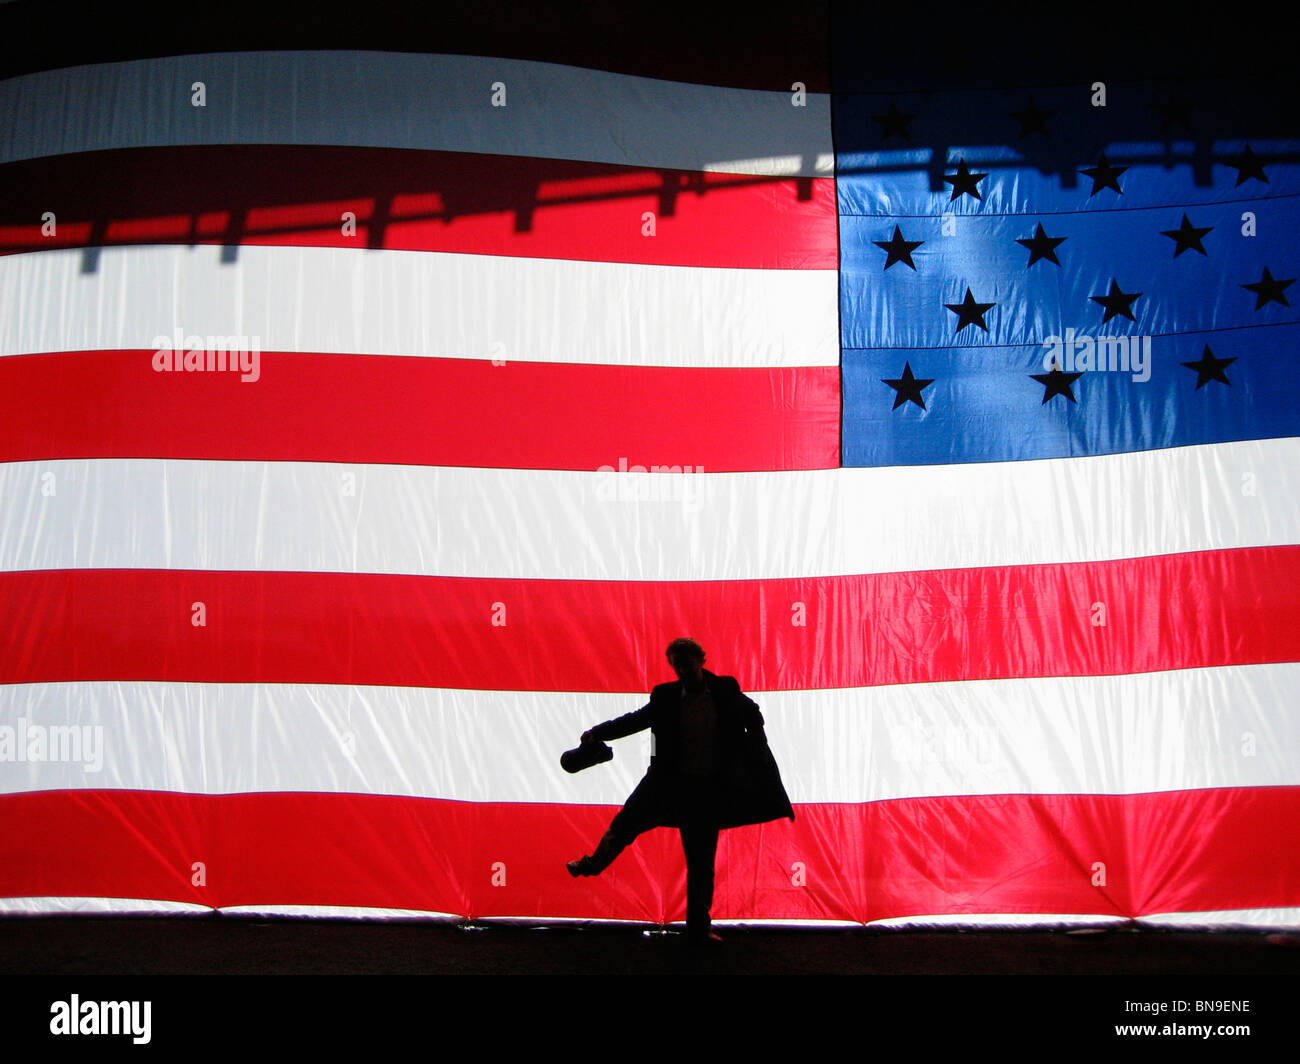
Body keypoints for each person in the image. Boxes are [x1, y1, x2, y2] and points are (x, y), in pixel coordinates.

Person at [566, 637, 794, 944]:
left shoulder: (726, 689)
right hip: (667, 783)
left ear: (701, 660)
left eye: (685, 664)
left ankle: (698, 930)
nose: (681, 670)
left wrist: (752, 749)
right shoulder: (666, 696)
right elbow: (635, 721)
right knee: (624, 826)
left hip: (706, 791)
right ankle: (592, 864)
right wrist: (599, 732)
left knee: (700, 863)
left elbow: (752, 716)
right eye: (676, 665)